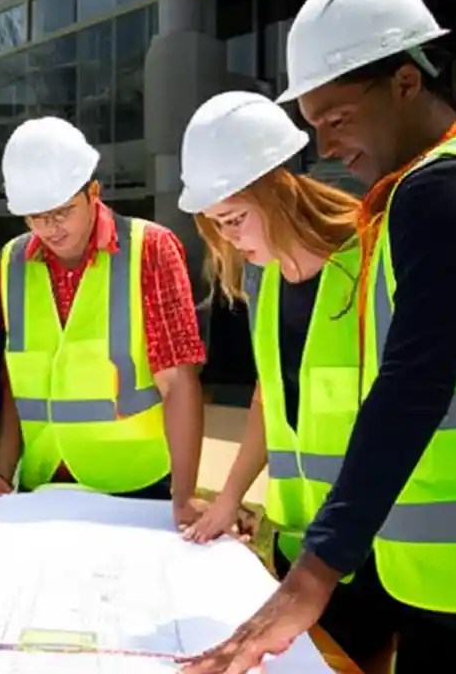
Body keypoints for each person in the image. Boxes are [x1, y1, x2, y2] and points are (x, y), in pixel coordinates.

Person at [180, 0, 456, 674]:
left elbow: (413, 381)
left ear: (406, 82)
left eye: (337, 118)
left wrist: (313, 575)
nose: (326, 146)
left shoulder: (449, 187)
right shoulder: (447, 184)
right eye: (313, 124)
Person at [176, 92, 396, 672]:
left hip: (379, 547)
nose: (228, 238)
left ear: (278, 186)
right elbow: (268, 399)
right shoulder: (265, 280)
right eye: (216, 224)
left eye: (234, 218)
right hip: (300, 540)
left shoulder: (373, 260)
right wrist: (229, 499)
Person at [0, 116, 208, 530]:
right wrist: (1, 473)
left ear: (94, 192)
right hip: (42, 482)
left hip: (135, 485)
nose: (50, 228)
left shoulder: (150, 249)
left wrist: (185, 493)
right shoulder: (12, 262)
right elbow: (14, 380)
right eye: (36, 216)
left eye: (63, 211)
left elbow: (178, 382)